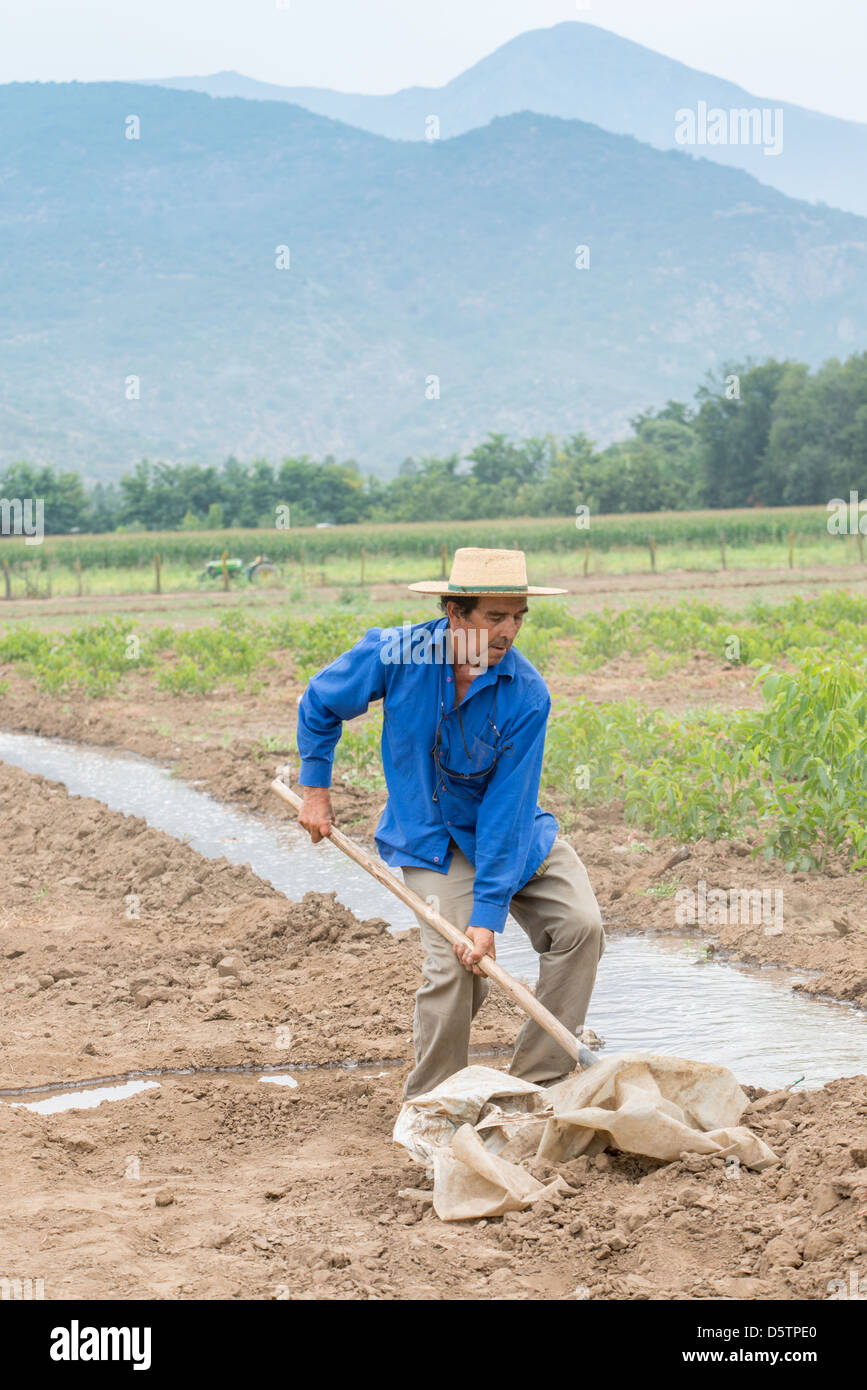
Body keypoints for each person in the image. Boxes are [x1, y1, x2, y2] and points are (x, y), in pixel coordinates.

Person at [296, 547, 605, 1099]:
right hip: (433, 840)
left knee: (581, 927)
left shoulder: (526, 695)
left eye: (517, 618)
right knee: (455, 969)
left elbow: (506, 813)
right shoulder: (397, 654)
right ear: (454, 612)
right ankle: (435, 1102)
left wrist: (488, 916)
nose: (508, 631)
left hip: (513, 836)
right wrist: (315, 791)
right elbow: (320, 701)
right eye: (494, 617)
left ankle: (538, 1083)